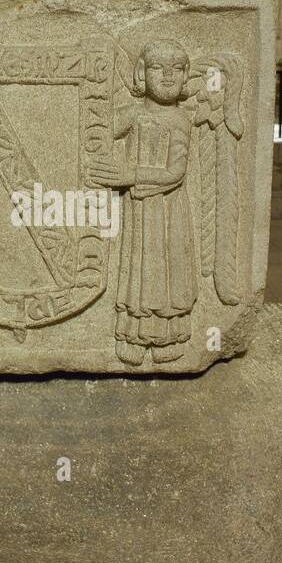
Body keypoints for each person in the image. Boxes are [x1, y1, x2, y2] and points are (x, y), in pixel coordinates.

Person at [87, 39, 198, 364]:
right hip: (139, 211)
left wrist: (129, 174)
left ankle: (169, 338)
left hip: (167, 210)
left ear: (185, 76)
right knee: (138, 268)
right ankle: (133, 335)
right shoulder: (134, 114)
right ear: (141, 73)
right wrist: (95, 88)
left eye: (176, 68)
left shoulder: (179, 120)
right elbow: (96, 128)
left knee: (166, 270)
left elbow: (176, 173)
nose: (168, 75)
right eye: (158, 67)